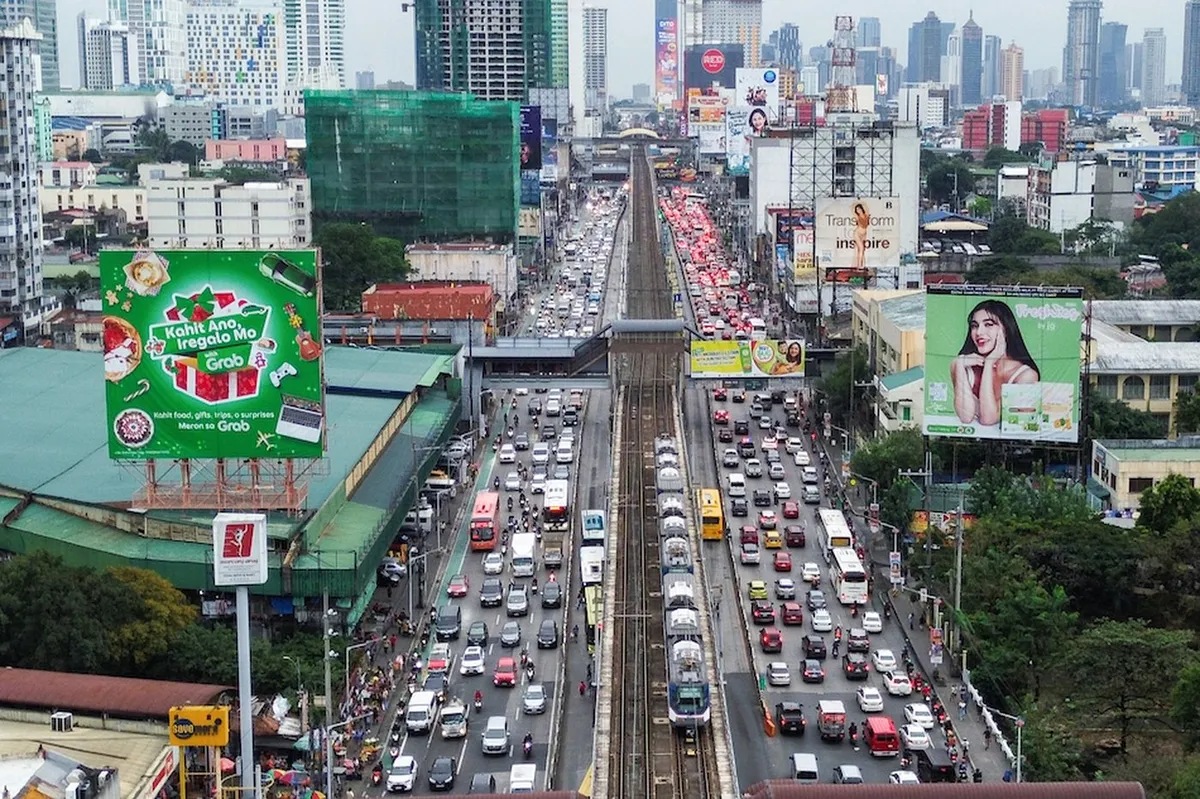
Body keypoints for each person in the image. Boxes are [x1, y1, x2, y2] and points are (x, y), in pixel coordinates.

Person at [951, 299, 1040, 426]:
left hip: (1011, 444)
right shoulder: (961, 364)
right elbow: (965, 416)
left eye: (988, 324)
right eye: (974, 326)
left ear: (1006, 329)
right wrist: (959, 365)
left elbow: (988, 419)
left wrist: (989, 363)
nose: (979, 332)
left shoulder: (1026, 375)